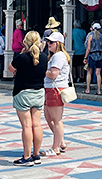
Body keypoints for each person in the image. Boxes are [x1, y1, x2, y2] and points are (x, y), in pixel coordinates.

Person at [8, 31, 48, 166]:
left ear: (26, 42)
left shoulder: (22, 57)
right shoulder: (44, 57)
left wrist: (22, 53)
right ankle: (36, 155)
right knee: (37, 124)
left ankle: (26, 157)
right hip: (38, 92)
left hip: (23, 92)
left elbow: (10, 68)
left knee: (26, 126)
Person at [41, 31, 70, 156]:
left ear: (58, 44)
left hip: (55, 88)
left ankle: (55, 147)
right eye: (48, 41)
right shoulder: (54, 56)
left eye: (51, 42)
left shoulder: (58, 56)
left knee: (56, 119)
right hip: (50, 88)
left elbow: (53, 74)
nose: (49, 44)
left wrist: (42, 70)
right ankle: (61, 141)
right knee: (49, 117)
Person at [84, 23, 102, 95]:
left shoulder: (90, 36)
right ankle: (99, 90)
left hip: (92, 55)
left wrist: (85, 57)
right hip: (100, 55)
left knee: (89, 72)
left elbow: (88, 48)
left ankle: (88, 89)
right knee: (98, 73)